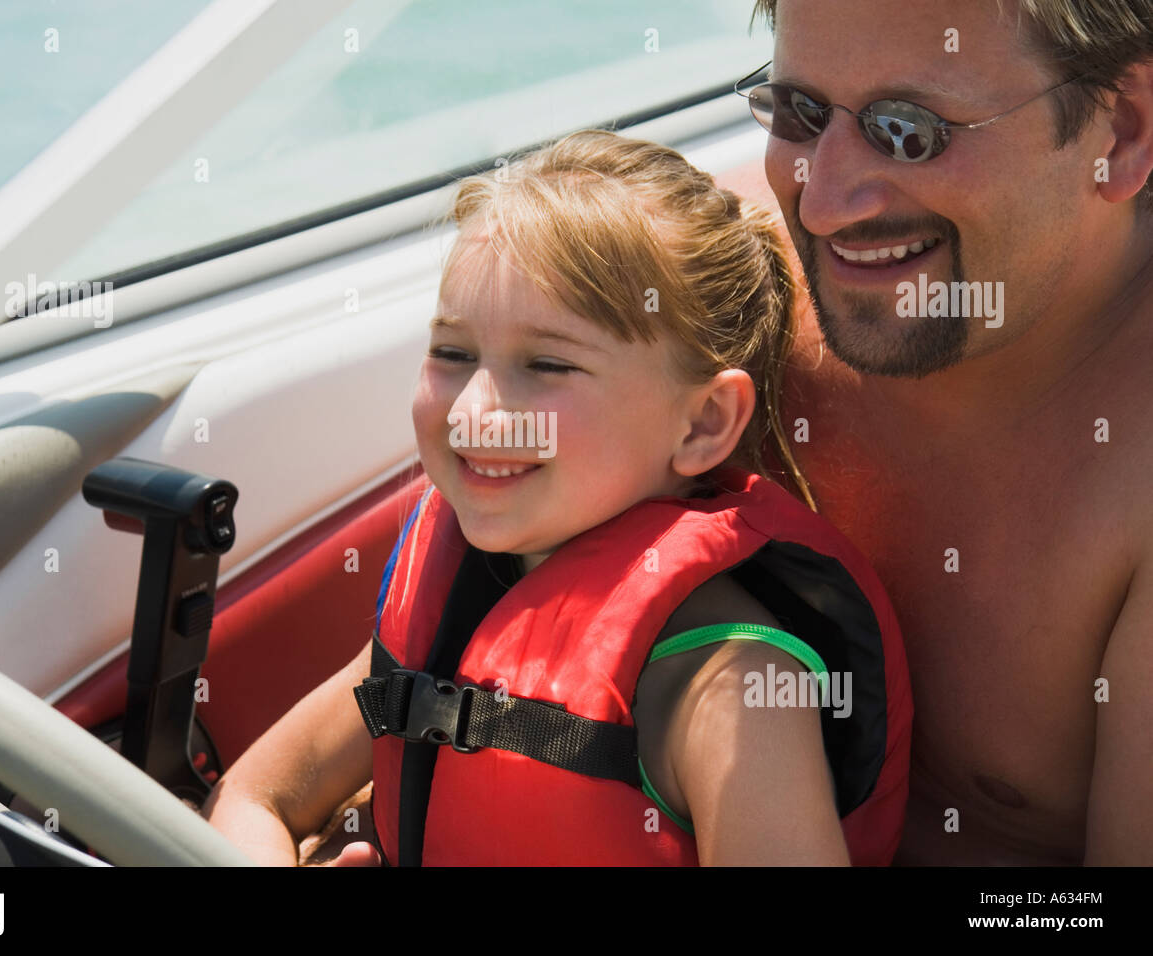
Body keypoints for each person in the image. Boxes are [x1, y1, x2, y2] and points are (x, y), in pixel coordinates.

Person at [203, 129, 911, 866]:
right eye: (452, 352)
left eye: (545, 365)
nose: (474, 411)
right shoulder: (457, 602)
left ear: (703, 423)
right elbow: (255, 797)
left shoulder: (732, 688)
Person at [744, 0, 1153, 863]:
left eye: (908, 131)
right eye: (801, 113)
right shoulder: (741, 306)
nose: (823, 205)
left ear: (1122, 132)